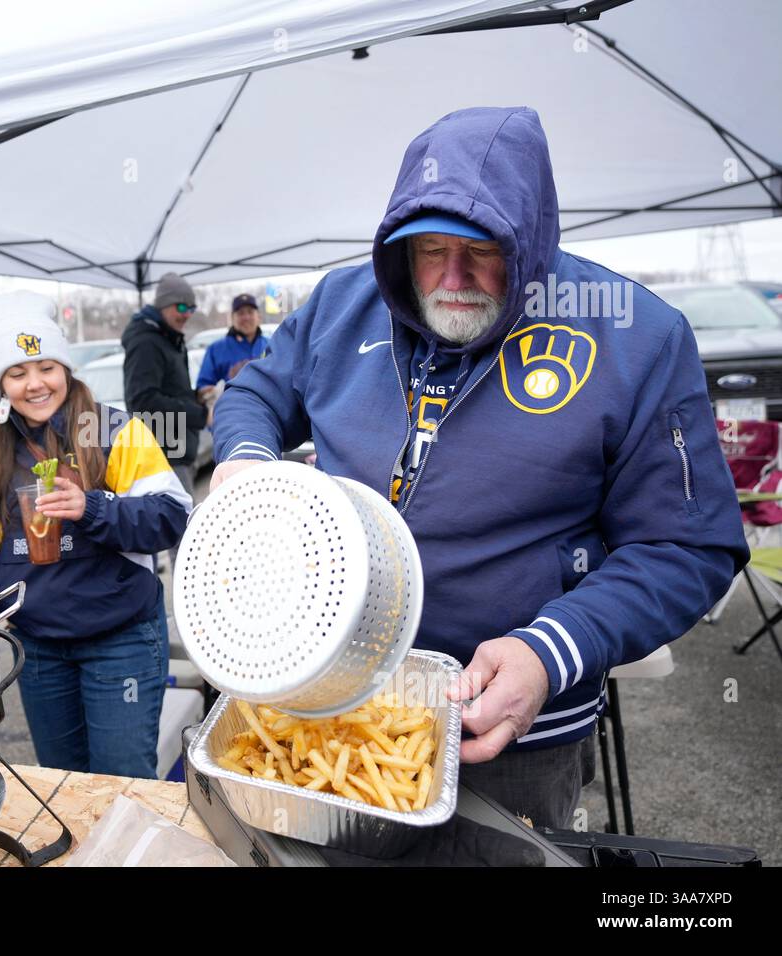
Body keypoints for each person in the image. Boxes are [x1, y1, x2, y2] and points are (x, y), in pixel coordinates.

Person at [210, 107, 748, 828]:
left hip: (511, 738)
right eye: (429, 249)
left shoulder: (636, 337)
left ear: (530, 242)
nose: (453, 278)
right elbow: (256, 392)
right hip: (328, 703)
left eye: (484, 249)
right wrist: (245, 458)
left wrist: (551, 651)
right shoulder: (343, 306)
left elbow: (690, 546)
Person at [0, 291, 191, 777]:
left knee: (120, 784)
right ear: (2, 384)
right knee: (63, 785)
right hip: (39, 645)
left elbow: (171, 516)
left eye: (46, 367)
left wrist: (93, 507)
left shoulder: (116, 430)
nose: (35, 384)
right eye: (17, 373)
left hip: (121, 639)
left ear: (66, 370)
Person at [121, 272, 208, 494]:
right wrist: (199, 414)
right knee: (183, 524)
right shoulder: (147, 343)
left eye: (191, 308)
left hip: (178, 452)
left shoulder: (169, 338)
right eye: (181, 307)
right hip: (163, 455)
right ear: (164, 305)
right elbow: (142, 401)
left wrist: (194, 395)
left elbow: (167, 389)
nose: (187, 314)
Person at [195, 293, 270, 397]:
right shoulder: (215, 349)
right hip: (231, 410)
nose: (246, 317)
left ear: (258, 317)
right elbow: (202, 389)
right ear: (232, 318)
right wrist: (215, 393)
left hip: (268, 410)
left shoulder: (271, 346)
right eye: (240, 313)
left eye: (250, 312)